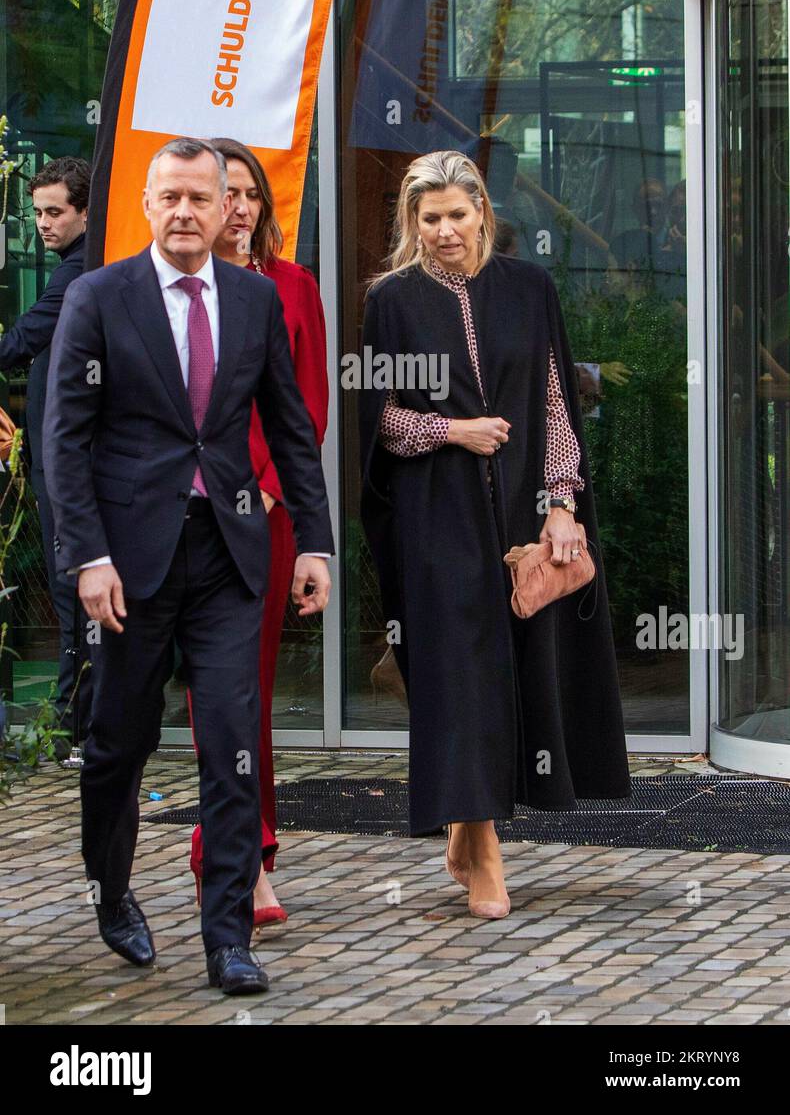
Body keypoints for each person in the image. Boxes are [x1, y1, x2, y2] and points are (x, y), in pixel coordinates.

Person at [43, 138, 334, 995]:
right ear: (146, 203)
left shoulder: (252, 299)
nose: (185, 213)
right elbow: (65, 441)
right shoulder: (100, 298)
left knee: (234, 744)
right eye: (169, 197)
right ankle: (111, 887)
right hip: (129, 566)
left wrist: (312, 542)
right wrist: (86, 557)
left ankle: (227, 933)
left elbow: (288, 429)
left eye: (201, 200)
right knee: (117, 744)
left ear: (224, 210)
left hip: (230, 557)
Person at [358, 150, 630, 920]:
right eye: (429, 218)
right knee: (458, 677)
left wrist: (562, 503)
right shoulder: (393, 300)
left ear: (483, 210)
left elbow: (552, 405)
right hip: (434, 514)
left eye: (457, 214)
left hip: (519, 512)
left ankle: (468, 830)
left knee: (513, 668)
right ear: (413, 222)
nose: (445, 231)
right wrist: (454, 429)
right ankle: (485, 855)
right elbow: (377, 420)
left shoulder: (529, 288)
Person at [187, 137, 329, 926]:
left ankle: (252, 854)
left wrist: (276, 496)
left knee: (250, 695)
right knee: (212, 698)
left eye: (248, 195)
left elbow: (307, 408)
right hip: (180, 515)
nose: (236, 209)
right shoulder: (171, 291)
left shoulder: (292, 286)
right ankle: (225, 850)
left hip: (262, 518)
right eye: (223, 193)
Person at [0, 157, 90, 749]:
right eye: (36, 212)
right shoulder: (74, 268)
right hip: (60, 455)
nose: (43, 223)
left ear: (85, 211)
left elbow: (26, 339)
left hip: (70, 460)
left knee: (72, 586)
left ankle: (71, 721)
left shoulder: (77, 273)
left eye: (55, 211)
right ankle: (73, 718)